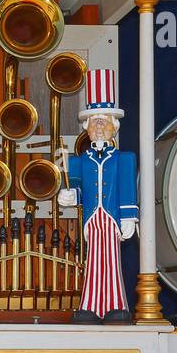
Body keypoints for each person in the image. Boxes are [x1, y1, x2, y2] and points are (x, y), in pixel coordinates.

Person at [56, 69, 137, 324]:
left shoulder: (124, 159)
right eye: (94, 121)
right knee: (93, 264)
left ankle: (116, 305)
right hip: (92, 219)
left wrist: (129, 217)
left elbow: (127, 189)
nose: (99, 125)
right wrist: (69, 195)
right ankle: (90, 306)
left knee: (112, 263)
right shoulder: (80, 161)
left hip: (112, 218)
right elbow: (77, 187)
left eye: (104, 120)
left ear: (115, 126)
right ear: (86, 128)